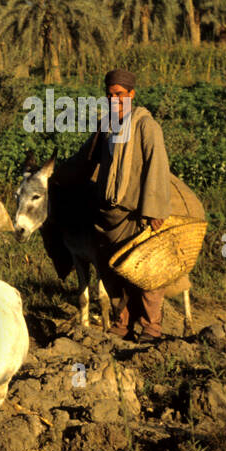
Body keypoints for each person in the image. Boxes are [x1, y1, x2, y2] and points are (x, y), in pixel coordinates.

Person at [55, 68, 173, 342]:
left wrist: (154, 210)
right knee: (114, 271)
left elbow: (157, 166)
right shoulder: (106, 125)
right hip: (110, 215)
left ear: (132, 95)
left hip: (137, 214)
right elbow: (85, 159)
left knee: (145, 272)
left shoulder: (146, 126)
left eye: (120, 95)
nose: (114, 100)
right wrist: (55, 175)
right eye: (109, 95)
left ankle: (151, 328)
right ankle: (122, 323)